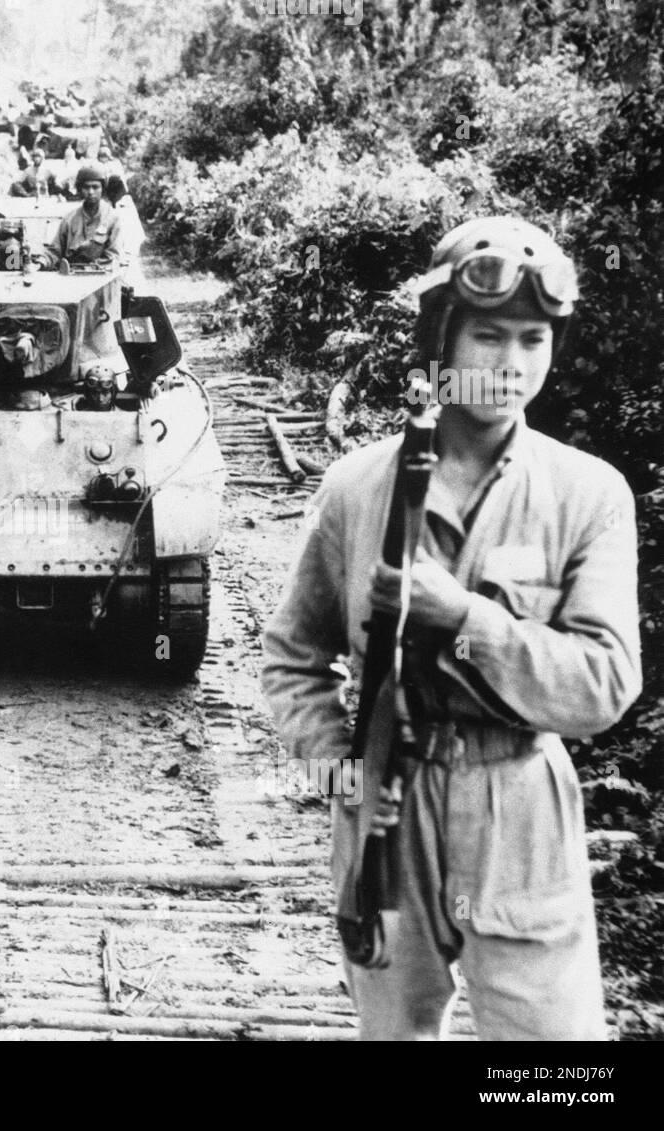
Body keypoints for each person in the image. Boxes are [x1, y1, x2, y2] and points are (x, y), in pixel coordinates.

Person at [261, 216, 641, 1041]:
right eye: (488, 335)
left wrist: (466, 616)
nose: (510, 364)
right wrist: (336, 767)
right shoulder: (360, 487)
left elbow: (605, 682)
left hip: (518, 804)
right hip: (383, 804)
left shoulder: (589, 493)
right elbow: (294, 656)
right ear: (442, 338)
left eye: (533, 339)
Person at [39, 163, 122, 271]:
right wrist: (41, 262)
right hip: (70, 276)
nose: (91, 192)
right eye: (86, 187)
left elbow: (113, 256)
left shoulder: (112, 219)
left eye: (95, 187)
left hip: (100, 276)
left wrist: (87, 269)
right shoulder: (69, 219)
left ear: (102, 189)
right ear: (80, 189)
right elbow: (55, 251)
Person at [105, 173, 146, 290]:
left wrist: (128, 253)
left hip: (127, 251)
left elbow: (134, 234)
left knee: (130, 281)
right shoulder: (105, 207)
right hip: (112, 255)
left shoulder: (126, 207)